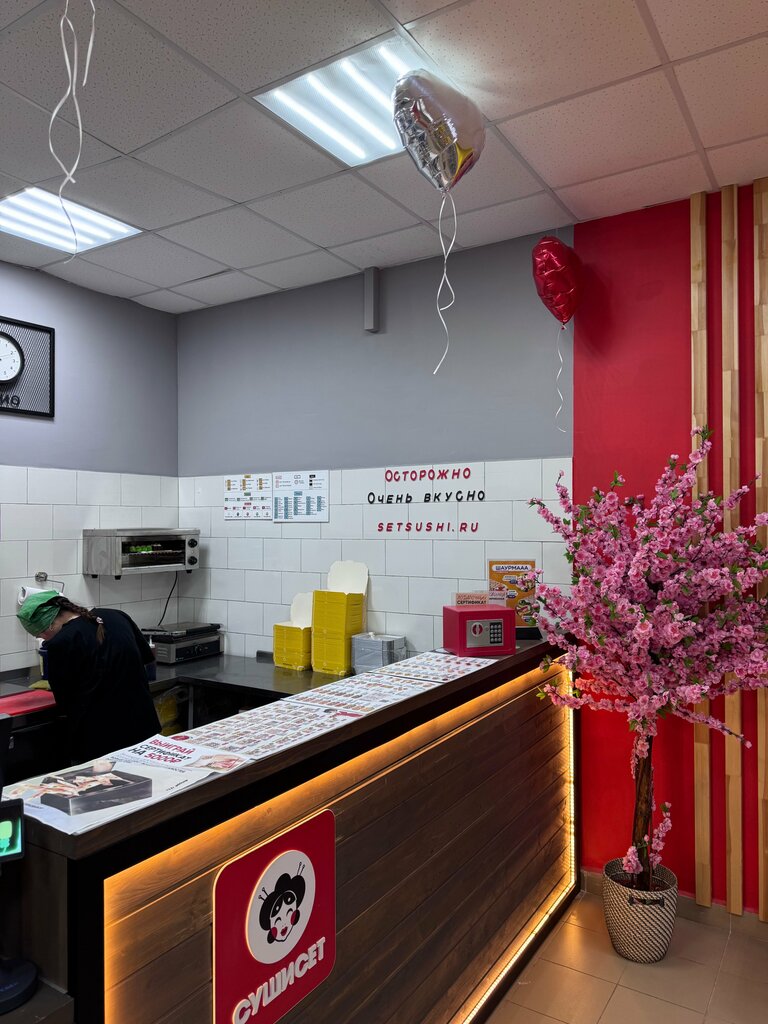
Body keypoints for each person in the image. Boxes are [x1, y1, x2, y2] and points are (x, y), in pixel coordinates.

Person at [17, 592, 160, 765]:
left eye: (40, 635)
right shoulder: (116, 615)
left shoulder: (61, 642)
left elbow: (65, 700)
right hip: (144, 729)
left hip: (102, 742)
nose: (42, 639)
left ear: (50, 626)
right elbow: (146, 658)